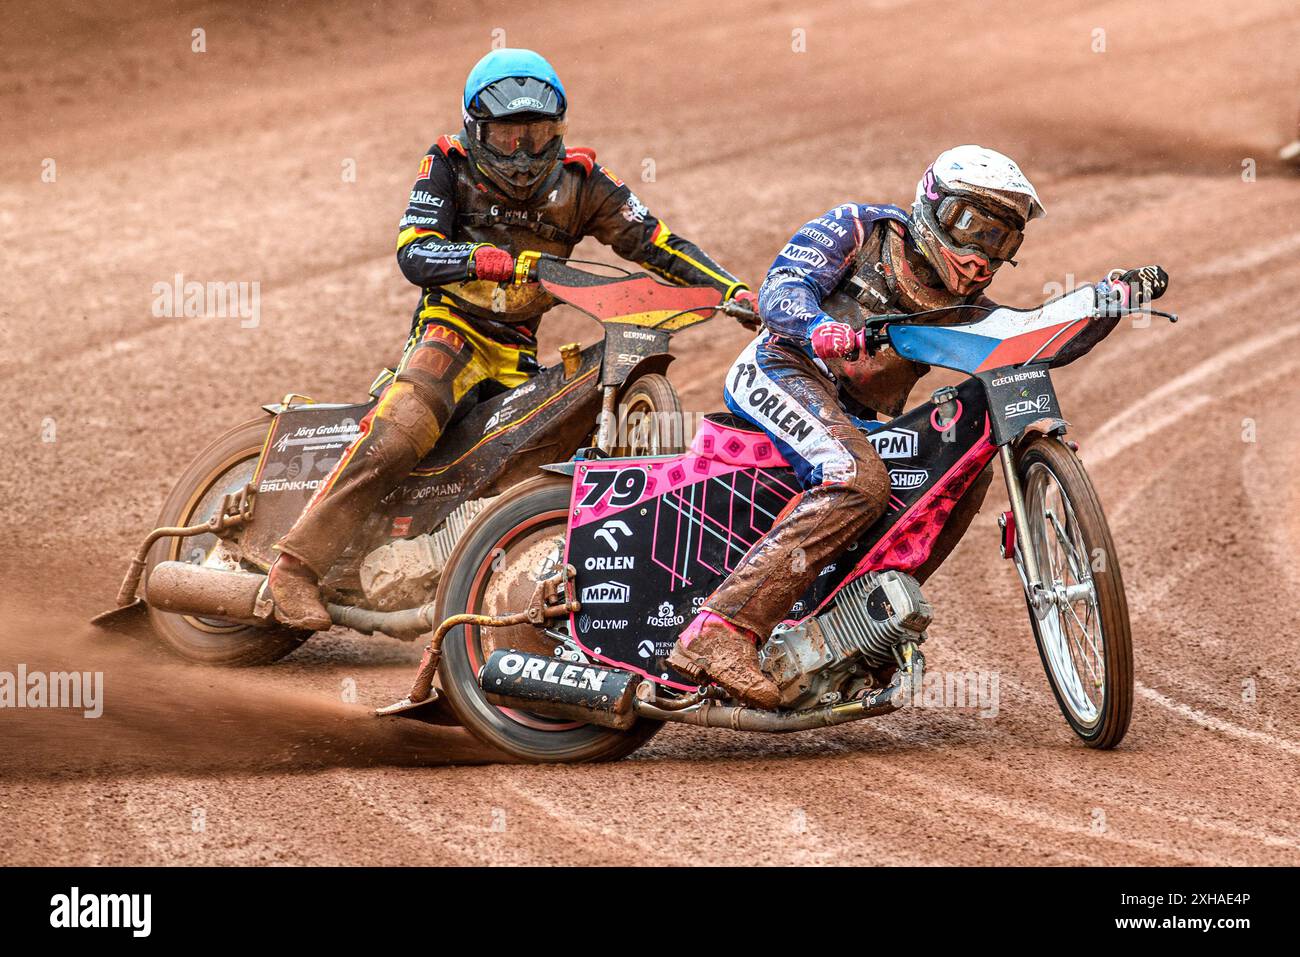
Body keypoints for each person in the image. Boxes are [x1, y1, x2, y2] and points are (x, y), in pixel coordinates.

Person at [268, 48, 757, 628]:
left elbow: (654, 242)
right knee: (403, 430)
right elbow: (414, 249)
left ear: (559, 131)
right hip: (451, 330)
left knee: (540, 456)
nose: (523, 151)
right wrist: (478, 258)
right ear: (477, 131)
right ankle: (294, 567)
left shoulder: (584, 181)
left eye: (537, 133)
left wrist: (732, 290)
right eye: (507, 136)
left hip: (519, 351)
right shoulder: (446, 163)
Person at [667, 145, 1166, 708]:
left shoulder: (962, 306)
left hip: (847, 412)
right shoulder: (862, 228)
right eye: (972, 226)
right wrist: (821, 328)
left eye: (1001, 241)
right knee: (858, 480)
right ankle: (718, 633)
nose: (981, 256)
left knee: (959, 474)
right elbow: (781, 291)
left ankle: (846, 633)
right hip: (783, 368)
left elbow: (1033, 339)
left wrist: (1109, 302)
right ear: (933, 207)